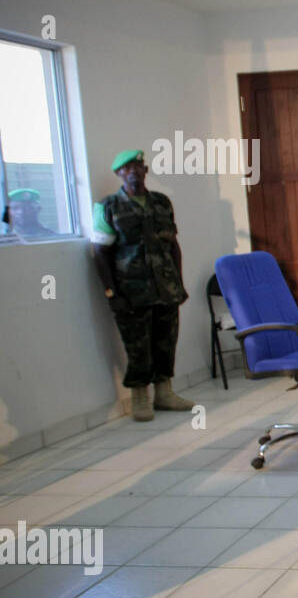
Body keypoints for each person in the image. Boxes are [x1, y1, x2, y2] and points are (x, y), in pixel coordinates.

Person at [91, 150, 194, 422]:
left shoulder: (161, 203)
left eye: (137, 167)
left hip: (166, 288)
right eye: (126, 169)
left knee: (166, 342)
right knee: (138, 347)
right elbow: (100, 254)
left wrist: (179, 283)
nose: (133, 172)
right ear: (119, 175)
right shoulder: (109, 207)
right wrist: (111, 293)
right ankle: (140, 399)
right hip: (131, 292)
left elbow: (173, 245)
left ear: (145, 170)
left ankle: (164, 394)